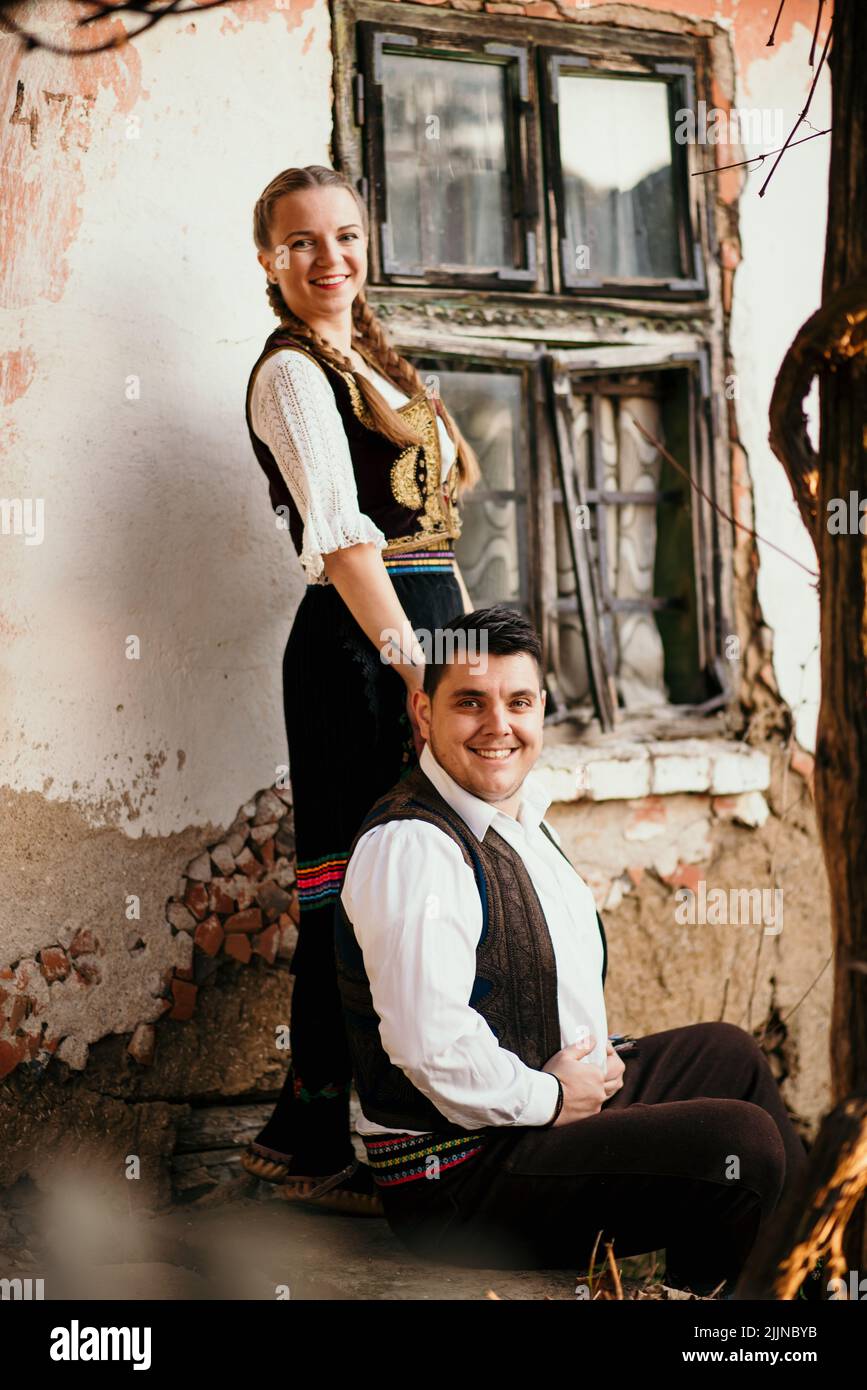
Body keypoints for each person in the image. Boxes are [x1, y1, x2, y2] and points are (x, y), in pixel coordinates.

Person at [334, 605, 811, 1292]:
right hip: (456, 1176)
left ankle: (815, 1281)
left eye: (518, 702)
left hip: (533, 1115)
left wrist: (585, 1070)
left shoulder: (522, 818)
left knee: (728, 1054)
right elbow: (429, 1046)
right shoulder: (414, 847)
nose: (498, 725)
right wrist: (554, 1094)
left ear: (540, 710)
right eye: (470, 702)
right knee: (741, 1145)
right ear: (423, 713)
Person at [240, 165, 480, 1214]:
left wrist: (461, 659)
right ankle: (316, 1136)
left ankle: (427, 1115)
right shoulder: (292, 375)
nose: (328, 257)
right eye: (301, 241)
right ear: (269, 259)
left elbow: (445, 514)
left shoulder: (371, 359)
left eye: (345, 235)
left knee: (432, 878)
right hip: (360, 647)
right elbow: (345, 543)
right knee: (353, 887)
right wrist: (416, 669)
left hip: (426, 629)